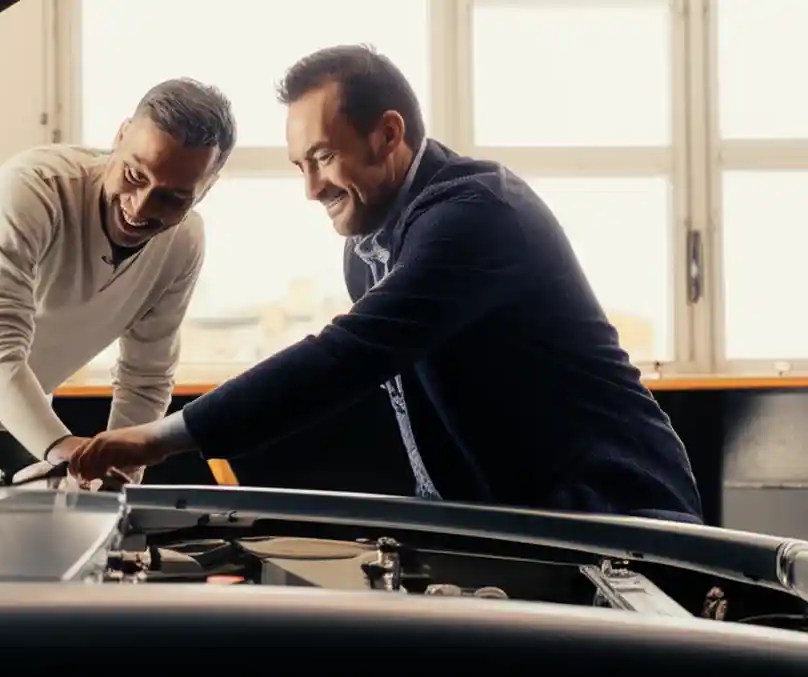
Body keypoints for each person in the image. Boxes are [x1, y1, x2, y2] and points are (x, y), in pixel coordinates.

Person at [67, 45, 705, 523]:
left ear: (389, 134)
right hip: (515, 526)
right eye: (299, 166)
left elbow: (348, 355)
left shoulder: (477, 214)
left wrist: (161, 437)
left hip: (618, 516)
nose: (311, 189)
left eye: (321, 158)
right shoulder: (366, 249)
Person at [0, 78, 236, 479]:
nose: (140, 207)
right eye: (135, 175)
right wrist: (64, 450)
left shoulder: (184, 243)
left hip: (10, 416)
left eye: (173, 198)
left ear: (207, 188)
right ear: (120, 136)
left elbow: (147, 375)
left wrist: (121, 474)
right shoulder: (31, 189)